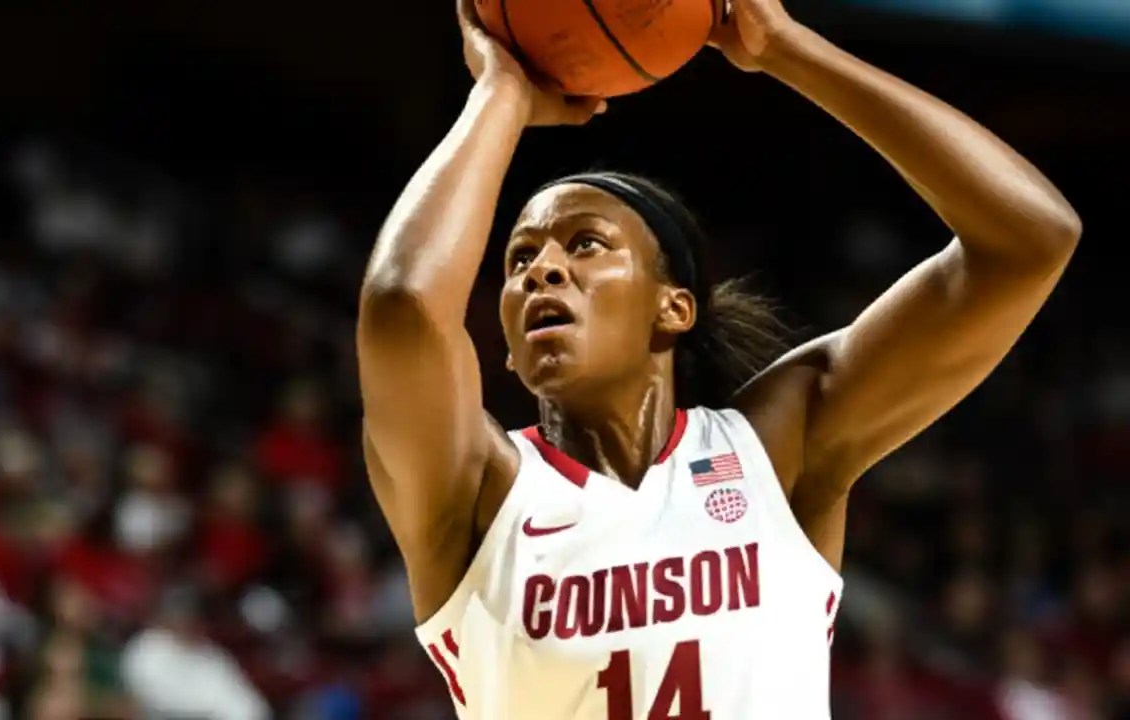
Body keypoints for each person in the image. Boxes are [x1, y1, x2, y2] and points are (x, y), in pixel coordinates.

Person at [356, 0, 1082, 716]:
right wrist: (500, 96)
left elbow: (1028, 240)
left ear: (672, 308)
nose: (541, 270)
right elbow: (402, 304)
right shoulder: (477, 490)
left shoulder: (777, 448)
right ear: (508, 349)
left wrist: (789, 50)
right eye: (520, 259)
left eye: (585, 245)